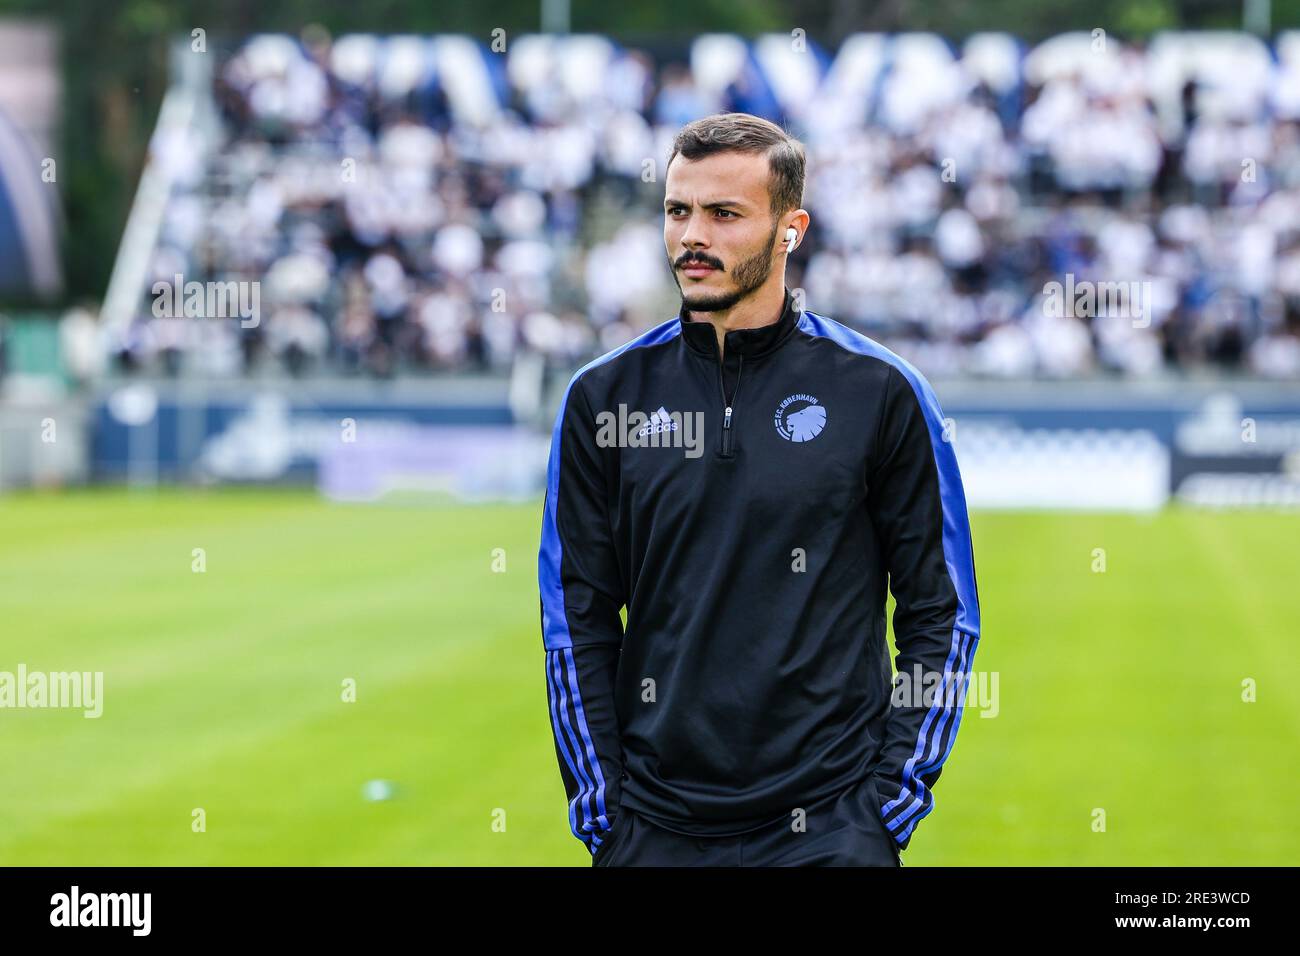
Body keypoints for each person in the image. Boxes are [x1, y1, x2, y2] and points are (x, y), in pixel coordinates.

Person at [538, 112, 981, 866]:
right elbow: (573, 619)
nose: (691, 236)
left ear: (791, 228)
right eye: (678, 210)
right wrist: (606, 810)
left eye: (723, 213)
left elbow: (943, 613)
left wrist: (887, 804)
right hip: (655, 828)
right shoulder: (602, 399)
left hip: (833, 827)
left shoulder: (880, 391)